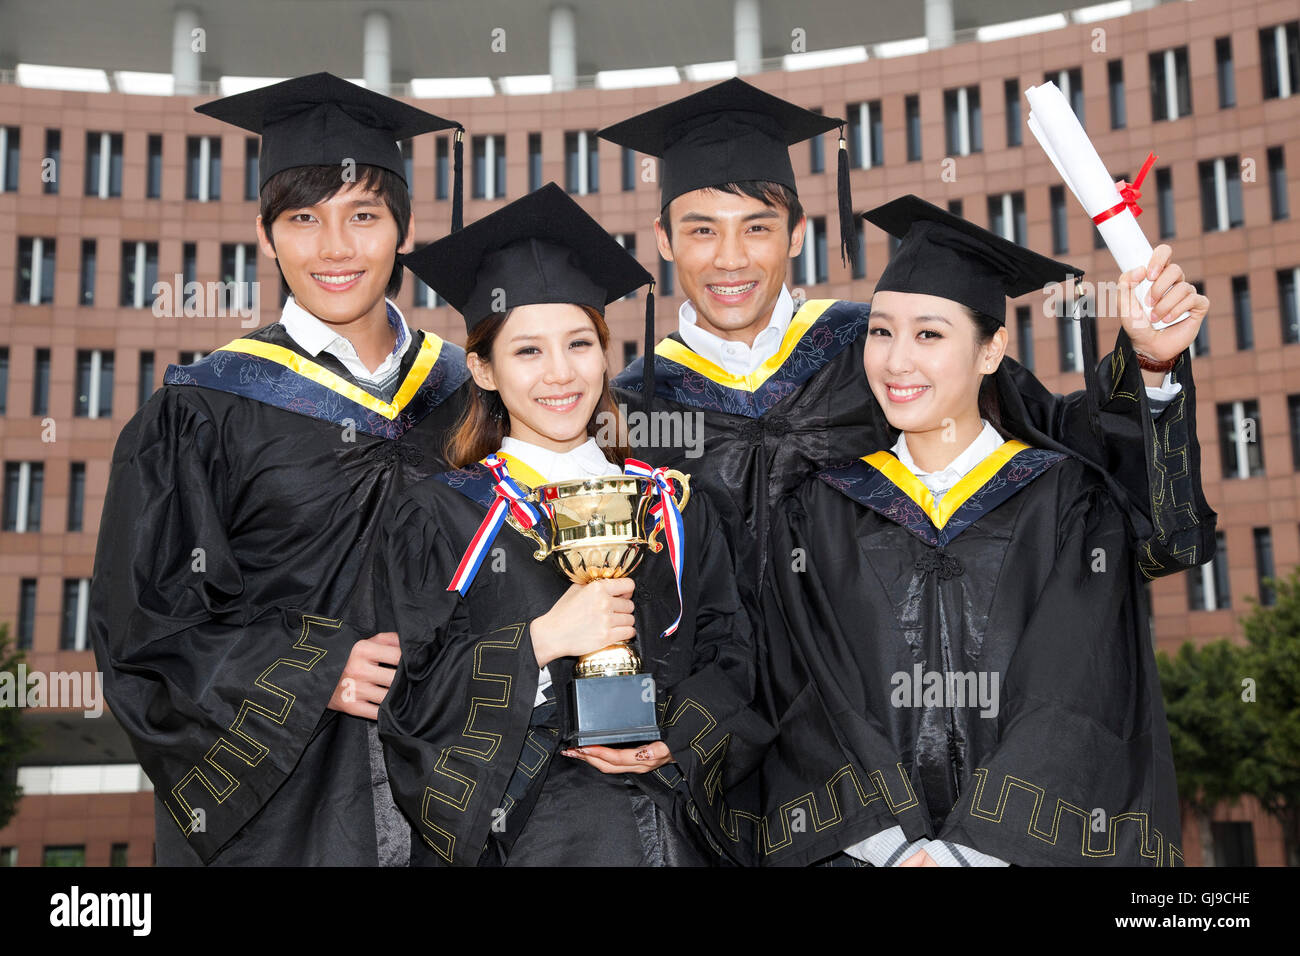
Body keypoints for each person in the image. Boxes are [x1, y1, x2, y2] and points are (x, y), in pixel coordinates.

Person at [600, 78, 1211, 644]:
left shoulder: (879, 350)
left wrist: (1150, 366)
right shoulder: (632, 409)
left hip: (882, 715)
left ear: (795, 234)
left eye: (757, 227)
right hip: (714, 738)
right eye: (702, 230)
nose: (730, 259)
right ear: (662, 238)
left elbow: (1057, 453)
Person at [753, 196, 1213, 867]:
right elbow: (806, 690)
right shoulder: (819, 507)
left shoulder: (1065, 500)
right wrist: (890, 845)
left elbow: (1078, 684)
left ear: (992, 348)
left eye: (930, 335)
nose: (896, 360)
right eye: (881, 332)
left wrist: (972, 852)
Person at [88, 73, 470, 865]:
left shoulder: (468, 393)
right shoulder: (202, 409)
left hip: (458, 787)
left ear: (403, 228)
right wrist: (313, 664)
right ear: (266, 236)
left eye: (363, 216)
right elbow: (144, 632)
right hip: (289, 813)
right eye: (304, 219)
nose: (335, 248)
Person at [377, 183, 770, 866]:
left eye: (580, 344)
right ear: (483, 368)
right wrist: (540, 641)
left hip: (680, 835)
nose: (560, 374)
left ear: (605, 352)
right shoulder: (442, 513)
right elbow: (411, 703)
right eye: (527, 351)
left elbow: (732, 654)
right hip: (534, 840)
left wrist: (680, 734)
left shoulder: (672, 502)